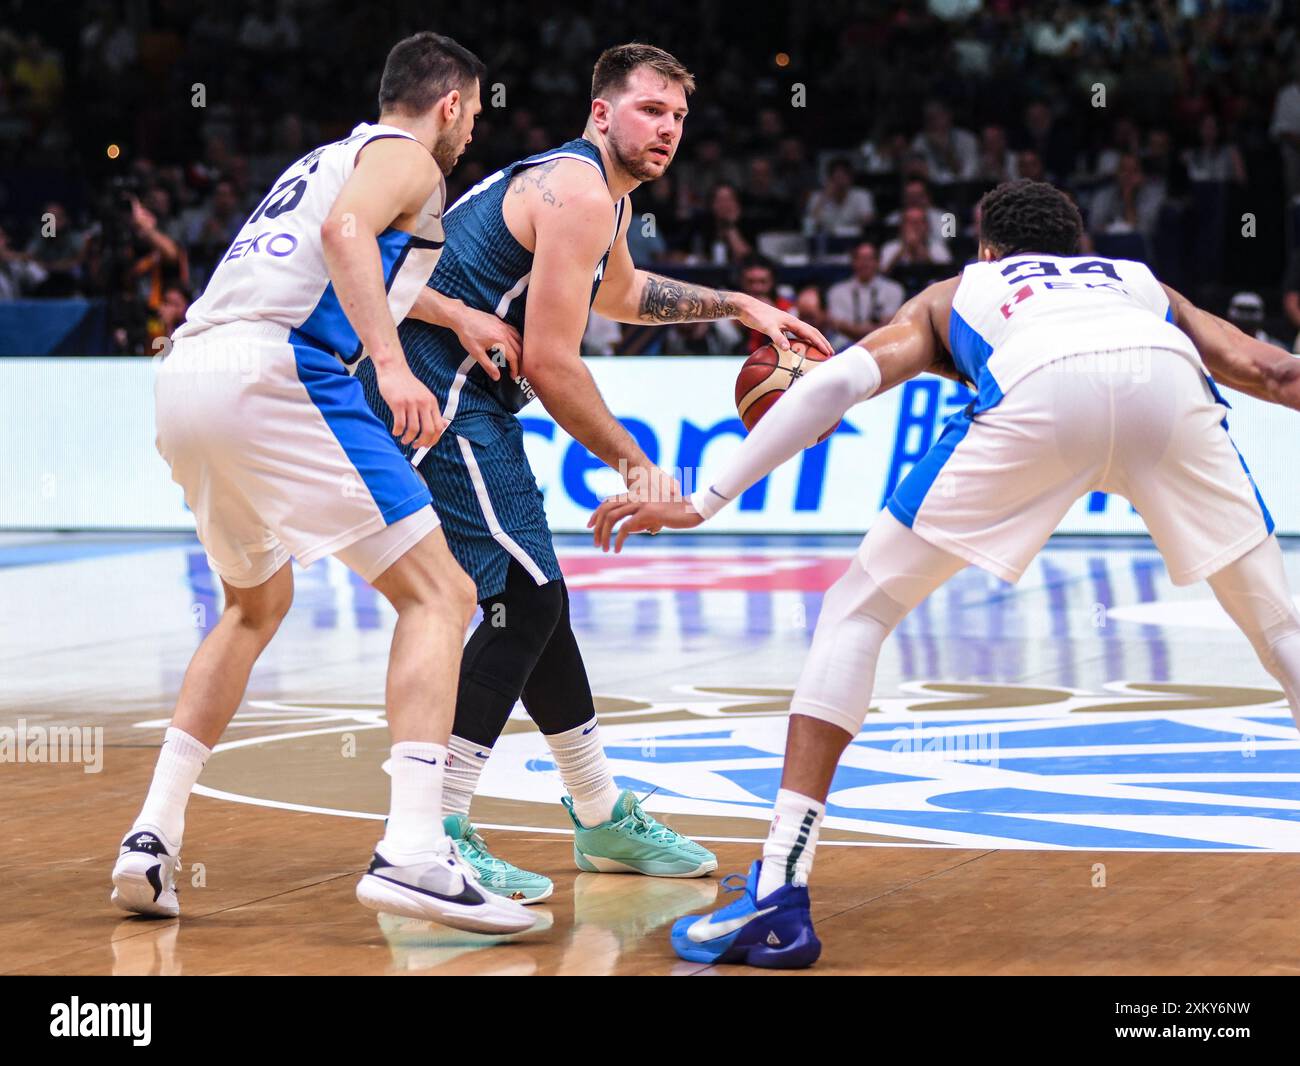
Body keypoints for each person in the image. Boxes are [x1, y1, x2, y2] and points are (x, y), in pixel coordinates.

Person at [593, 179, 1300, 968]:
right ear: (1081, 248)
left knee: (857, 614)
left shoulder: (962, 289)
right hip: (1167, 385)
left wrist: (703, 500)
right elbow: (1275, 374)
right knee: (1279, 632)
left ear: (988, 251)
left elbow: (832, 382)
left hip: (1038, 395)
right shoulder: (1139, 282)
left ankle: (779, 894)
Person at [358, 43, 831, 903]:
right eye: (652, 110)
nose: (669, 129)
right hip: (438, 394)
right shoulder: (577, 192)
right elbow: (552, 364)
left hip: (460, 396)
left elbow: (621, 294)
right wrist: (648, 474)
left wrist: (737, 304)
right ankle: (444, 828)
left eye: (680, 117)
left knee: (535, 599)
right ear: (603, 113)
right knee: (526, 600)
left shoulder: (594, 199)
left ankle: (601, 811)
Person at [112, 32, 534, 935]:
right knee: (442, 594)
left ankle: (151, 835)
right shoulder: (415, 159)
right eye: (474, 114)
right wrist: (390, 366)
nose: (471, 136)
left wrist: (452, 311)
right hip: (282, 369)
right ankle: (416, 853)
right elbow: (348, 239)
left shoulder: (327, 157)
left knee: (253, 606)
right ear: (452, 104)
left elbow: (345, 253)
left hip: (189, 372)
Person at [826, 242, 905, 339]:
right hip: (846, 342)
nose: (865, 263)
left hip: (881, 340)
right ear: (853, 261)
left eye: (869, 259)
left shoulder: (894, 290)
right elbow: (838, 324)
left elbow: (889, 323)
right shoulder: (836, 292)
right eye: (860, 258)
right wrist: (858, 332)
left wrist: (858, 331)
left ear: (878, 261)